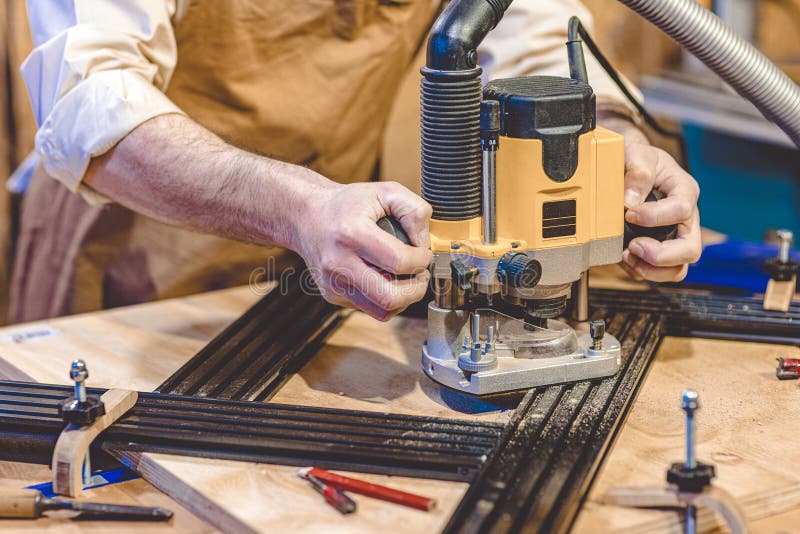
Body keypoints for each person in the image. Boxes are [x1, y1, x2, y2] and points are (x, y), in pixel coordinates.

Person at [9, 0, 701, 323]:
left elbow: (535, 36)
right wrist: (295, 206)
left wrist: (613, 150)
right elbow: (87, 94)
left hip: (337, 253)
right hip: (145, 248)